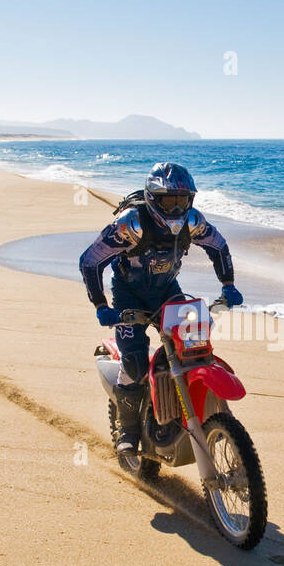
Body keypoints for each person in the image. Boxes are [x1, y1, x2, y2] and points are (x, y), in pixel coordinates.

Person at [79, 162, 242, 453]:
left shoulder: (193, 222)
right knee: (134, 362)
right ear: (153, 197)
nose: (177, 207)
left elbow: (219, 247)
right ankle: (127, 431)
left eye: (183, 199)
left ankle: (178, 407)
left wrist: (228, 284)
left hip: (167, 290)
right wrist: (101, 304)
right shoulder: (131, 224)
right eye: (169, 200)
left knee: (193, 349)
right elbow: (90, 261)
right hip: (128, 294)